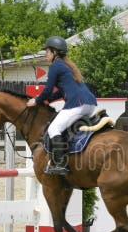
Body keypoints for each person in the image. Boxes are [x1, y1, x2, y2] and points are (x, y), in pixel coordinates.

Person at [26, 36, 97, 175]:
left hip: (77, 105)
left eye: (47, 51)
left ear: (54, 52)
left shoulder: (55, 66)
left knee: (54, 129)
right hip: (90, 105)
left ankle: (60, 164)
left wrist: (37, 100)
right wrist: (47, 100)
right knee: (66, 129)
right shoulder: (67, 65)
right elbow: (61, 92)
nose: (45, 54)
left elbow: (47, 89)